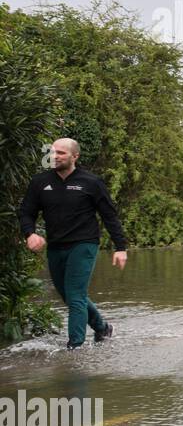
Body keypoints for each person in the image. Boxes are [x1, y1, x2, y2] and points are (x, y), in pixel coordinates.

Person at [18, 138, 128, 349]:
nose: (54, 156)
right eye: (52, 152)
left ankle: (74, 347)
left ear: (74, 156)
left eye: (61, 153)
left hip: (84, 244)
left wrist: (120, 248)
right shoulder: (40, 182)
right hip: (56, 246)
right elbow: (26, 212)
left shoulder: (91, 182)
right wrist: (30, 233)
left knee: (76, 294)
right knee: (69, 296)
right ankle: (103, 328)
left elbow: (109, 216)